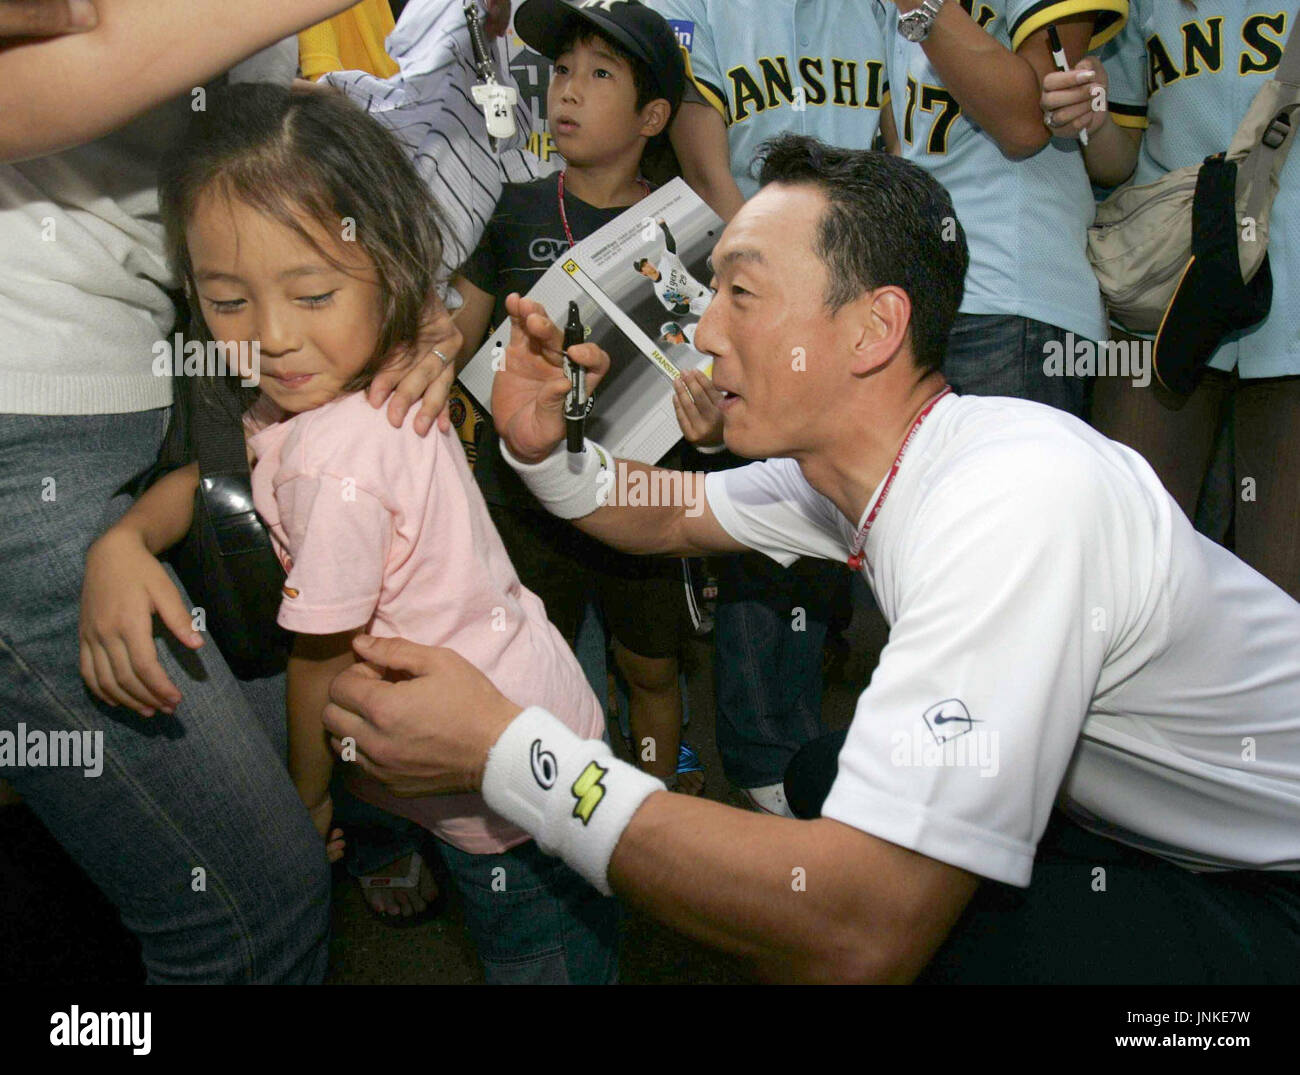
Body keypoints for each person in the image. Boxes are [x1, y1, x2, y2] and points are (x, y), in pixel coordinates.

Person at [322, 135, 1300, 984]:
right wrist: (547, 446)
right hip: (1164, 830)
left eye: (740, 293)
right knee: (833, 773)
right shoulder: (864, 464)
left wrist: (509, 754)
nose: (702, 331)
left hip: (1279, 890)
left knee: (896, 919)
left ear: (873, 328)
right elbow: (669, 513)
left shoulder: (1017, 498)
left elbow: (863, 928)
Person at [81, 82, 620, 984]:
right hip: (506, 722)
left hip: (503, 786)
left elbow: (319, 653)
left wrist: (308, 795)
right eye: (226, 301)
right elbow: (222, 476)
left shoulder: (342, 459)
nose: (273, 338)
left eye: (313, 291)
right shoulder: (346, 376)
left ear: (394, 263)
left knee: (544, 954)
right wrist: (124, 538)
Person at [0, 0, 459, 984]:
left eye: (312, 298)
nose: (282, 327)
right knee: (252, 909)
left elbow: (261, 158)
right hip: (24, 420)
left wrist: (416, 299)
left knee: (236, 870)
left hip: (142, 419)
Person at [450, 0, 717, 795]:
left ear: (653, 116)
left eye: (600, 74)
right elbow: (455, 334)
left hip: (637, 498)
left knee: (649, 667)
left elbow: (719, 387)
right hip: (521, 495)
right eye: (562, 70)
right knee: (530, 663)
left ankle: (650, 819)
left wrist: (708, 435)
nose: (567, 90)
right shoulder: (513, 208)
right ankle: (545, 820)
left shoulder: (694, 235)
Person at [649, 0, 889, 818]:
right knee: (759, 514)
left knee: (828, 511)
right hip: (763, 289)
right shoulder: (706, 8)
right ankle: (760, 762)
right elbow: (710, 171)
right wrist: (767, 282)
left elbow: (894, 149)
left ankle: (810, 753)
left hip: (851, 296)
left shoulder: (881, 13)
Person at [1039, 1, 1300, 602]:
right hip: (1166, 299)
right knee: (1129, 578)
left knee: (1283, 600)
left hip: (1289, 314)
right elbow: (1116, 162)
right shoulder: (1148, 4)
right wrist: (1092, 116)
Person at [871, 0, 1126, 420]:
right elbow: (902, 139)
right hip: (918, 292)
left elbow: (1024, 124)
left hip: (1013, 300)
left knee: (1009, 485)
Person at [633, 217, 712, 317]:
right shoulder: (661, 290)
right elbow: (677, 309)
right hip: (697, 304)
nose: (648, 265)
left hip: (704, 290)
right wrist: (684, 303)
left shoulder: (666, 263)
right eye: (643, 266)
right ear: (643, 273)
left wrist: (664, 227)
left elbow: (671, 244)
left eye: (646, 262)